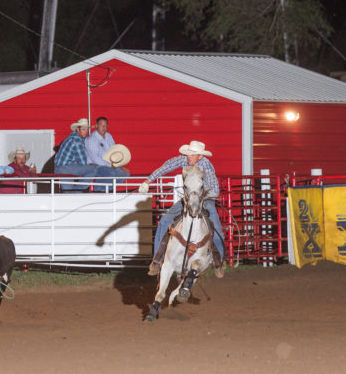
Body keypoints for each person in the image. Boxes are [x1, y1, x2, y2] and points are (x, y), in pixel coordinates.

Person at [138, 140, 224, 277]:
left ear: (200, 156)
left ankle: (219, 261)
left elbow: (215, 190)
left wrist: (200, 196)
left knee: (215, 224)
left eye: (193, 155)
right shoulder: (183, 160)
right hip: (188, 199)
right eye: (189, 154)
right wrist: (147, 181)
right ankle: (157, 260)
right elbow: (166, 167)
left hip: (205, 199)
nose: (189, 157)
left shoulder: (206, 166)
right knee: (165, 221)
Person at [54, 118, 126, 191]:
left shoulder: (74, 137)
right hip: (66, 168)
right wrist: (90, 164)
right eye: (83, 129)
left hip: (63, 167)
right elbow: (82, 162)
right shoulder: (77, 141)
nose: (86, 132)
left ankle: (77, 191)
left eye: (87, 129)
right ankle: (80, 190)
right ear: (78, 130)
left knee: (68, 192)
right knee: (93, 168)